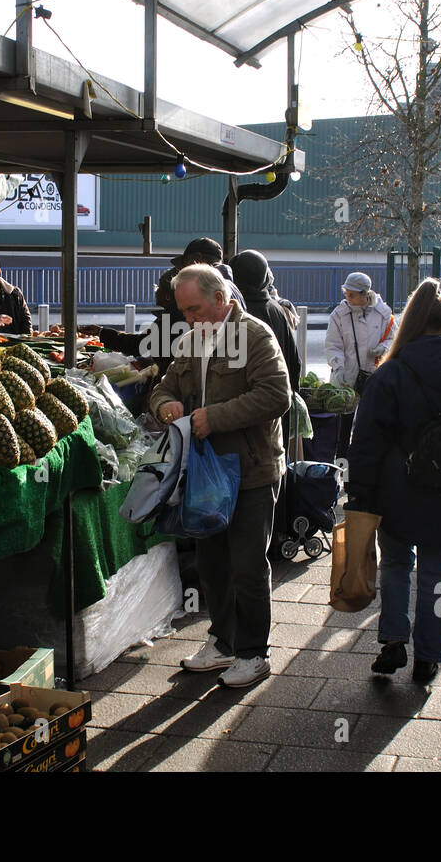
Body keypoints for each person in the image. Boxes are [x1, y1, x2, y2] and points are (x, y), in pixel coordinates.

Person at [346, 279, 441, 683]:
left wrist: (359, 492)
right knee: (436, 574)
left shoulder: (390, 373)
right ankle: (429, 656)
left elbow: (365, 442)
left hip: (396, 492)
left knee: (396, 564)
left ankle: (394, 641)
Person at [150, 265, 291, 689]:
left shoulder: (256, 336)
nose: (189, 319)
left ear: (220, 298)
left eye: (194, 309)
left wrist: (214, 418)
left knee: (248, 565)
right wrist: (166, 406)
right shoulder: (192, 341)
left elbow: (276, 395)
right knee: (212, 563)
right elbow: (163, 387)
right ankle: (223, 641)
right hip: (205, 472)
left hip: (251, 471)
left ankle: (253, 652)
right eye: (184, 312)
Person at [325, 272, 396, 460]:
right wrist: (338, 366)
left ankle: (365, 465)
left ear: (365, 294)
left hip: (375, 376)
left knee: (371, 426)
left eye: (352, 295)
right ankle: (342, 470)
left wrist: (383, 348)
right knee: (343, 428)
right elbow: (333, 345)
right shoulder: (339, 314)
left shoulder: (384, 313)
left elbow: (393, 337)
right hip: (348, 378)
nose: (348, 299)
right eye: (346, 294)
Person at [229, 249, 301, 391]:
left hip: (241, 403)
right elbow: (294, 363)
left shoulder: (232, 312)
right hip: (276, 400)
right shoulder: (278, 310)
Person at [93, 267, 182, 377]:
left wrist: (101, 332)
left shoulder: (173, 318)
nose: (156, 290)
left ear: (168, 296)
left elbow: (140, 344)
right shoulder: (171, 314)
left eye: (158, 287)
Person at [172, 236, 245, 305]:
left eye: (185, 266)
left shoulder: (208, 288)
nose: (183, 272)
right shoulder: (233, 288)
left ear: (197, 259)